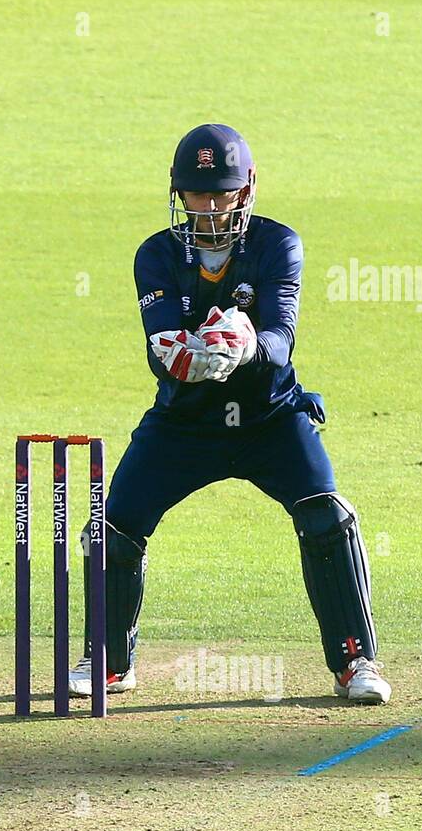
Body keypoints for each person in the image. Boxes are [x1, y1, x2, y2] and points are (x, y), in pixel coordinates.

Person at [68, 125, 391, 705]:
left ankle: (355, 661)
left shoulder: (278, 244)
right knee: (111, 528)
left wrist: (245, 345)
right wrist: (180, 355)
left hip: (271, 419)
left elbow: (280, 338)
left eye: (223, 193)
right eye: (199, 194)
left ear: (248, 188)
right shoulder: (157, 254)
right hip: (184, 426)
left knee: (326, 516)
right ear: (178, 192)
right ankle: (110, 661)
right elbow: (159, 345)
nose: (212, 207)